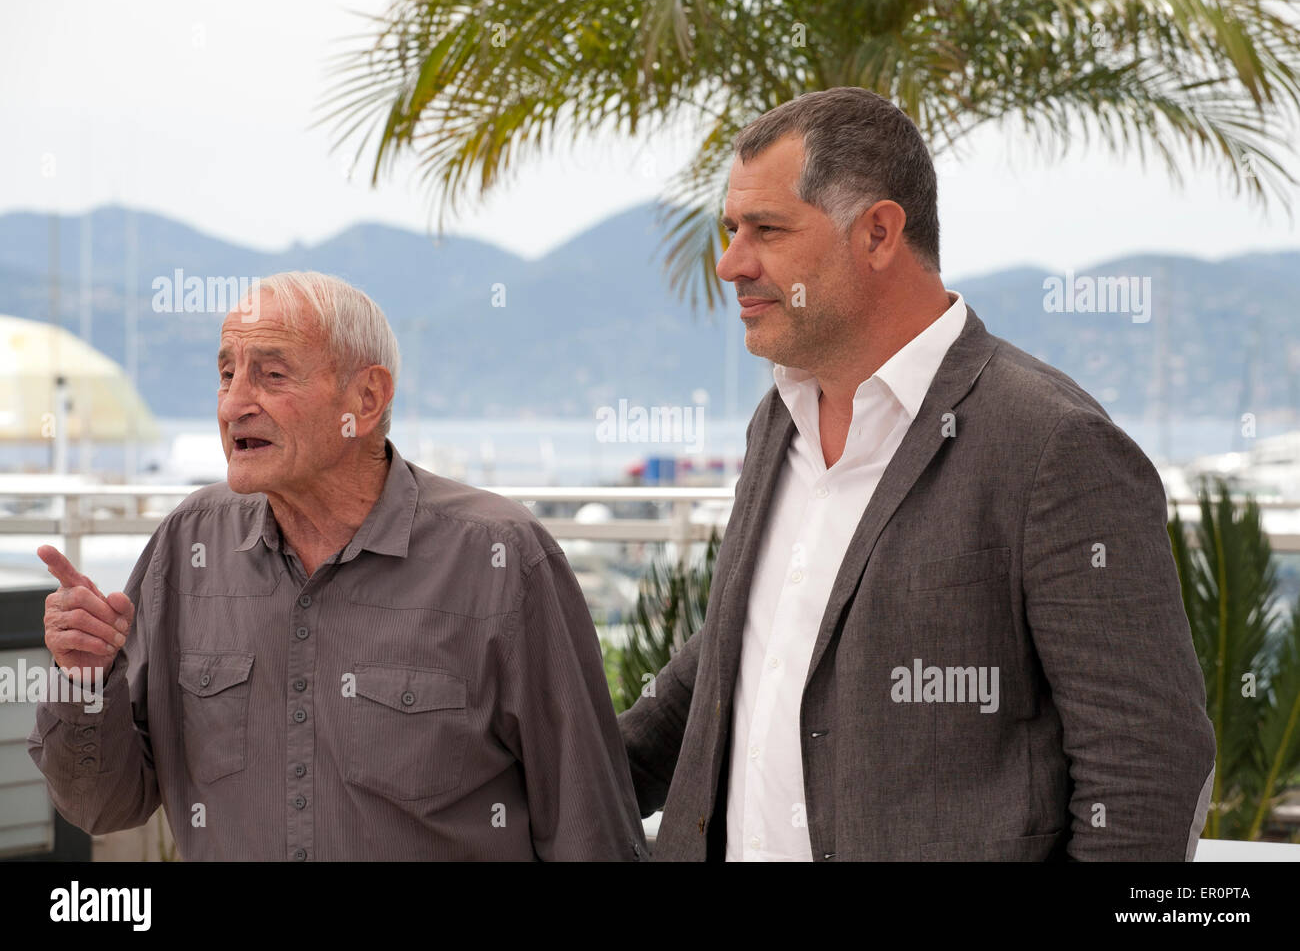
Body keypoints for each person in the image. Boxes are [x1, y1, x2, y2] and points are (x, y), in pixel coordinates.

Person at [618, 87, 1216, 861]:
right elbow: (737, 659)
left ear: (876, 233)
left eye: (766, 229)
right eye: (732, 230)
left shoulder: (1052, 445)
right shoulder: (779, 420)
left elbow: (1146, 770)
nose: (731, 264)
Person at [29, 271, 647, 861]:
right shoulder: (187, 546)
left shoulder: (503, 558)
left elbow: (589, 827)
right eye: (225, 374)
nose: (233, 405)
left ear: (367, 398)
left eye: (271, 375)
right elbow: (101, 807)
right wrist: (84, 682)